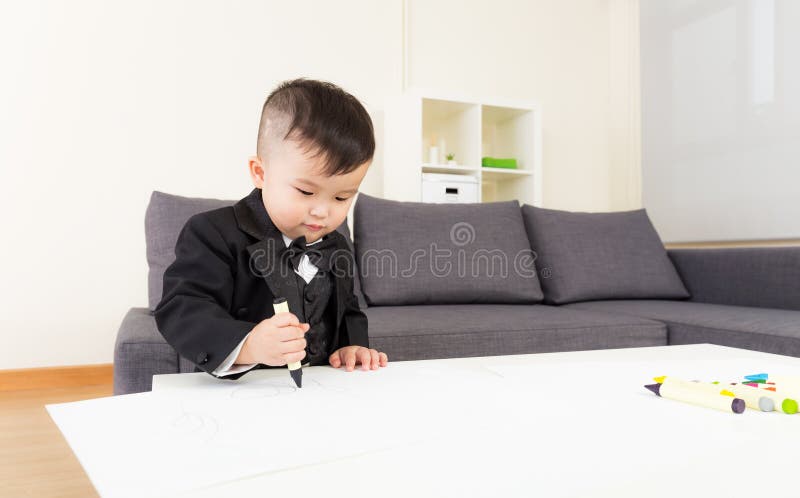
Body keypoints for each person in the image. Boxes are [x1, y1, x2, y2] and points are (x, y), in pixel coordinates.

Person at [154, 78, 388, 380]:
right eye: (305, 192)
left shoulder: (337, 245)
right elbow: (182, 308)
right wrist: (249, 345)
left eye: (342, 197)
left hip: (322, 394)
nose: (322, 211)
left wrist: (352, 346)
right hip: (241, 393)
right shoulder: (212, 233)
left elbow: (348, 310)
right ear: (260, 173)